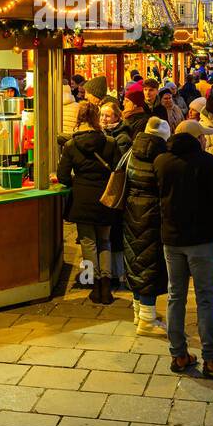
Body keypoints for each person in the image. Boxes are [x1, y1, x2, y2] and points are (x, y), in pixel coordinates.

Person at [154, 118, 213, 377]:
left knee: (175, 295)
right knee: (205, 298)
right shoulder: (206, 163)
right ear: (196, 139)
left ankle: (178, 354)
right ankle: (211, 358)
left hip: (171, 238)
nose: (205, 140)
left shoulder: (161, 162)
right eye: (201, 137)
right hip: (200, 240)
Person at [56, 102, 122, 305]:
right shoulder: (110, 143)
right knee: (105, 241)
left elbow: (63, 176)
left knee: (88, 242)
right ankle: (106, 286)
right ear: (96, 119)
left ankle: (92, 283)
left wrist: (78, 181)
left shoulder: (71, 145)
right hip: (105, 199)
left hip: (82, 200)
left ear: (79, 119)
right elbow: (118, 171)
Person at [123, 116, 171, 337]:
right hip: (153, 215)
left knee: (136, 262)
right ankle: (147, 321)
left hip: (131, 212)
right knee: (150, 266)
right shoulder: (160, 157)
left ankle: (138, 313)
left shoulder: (133, 150)